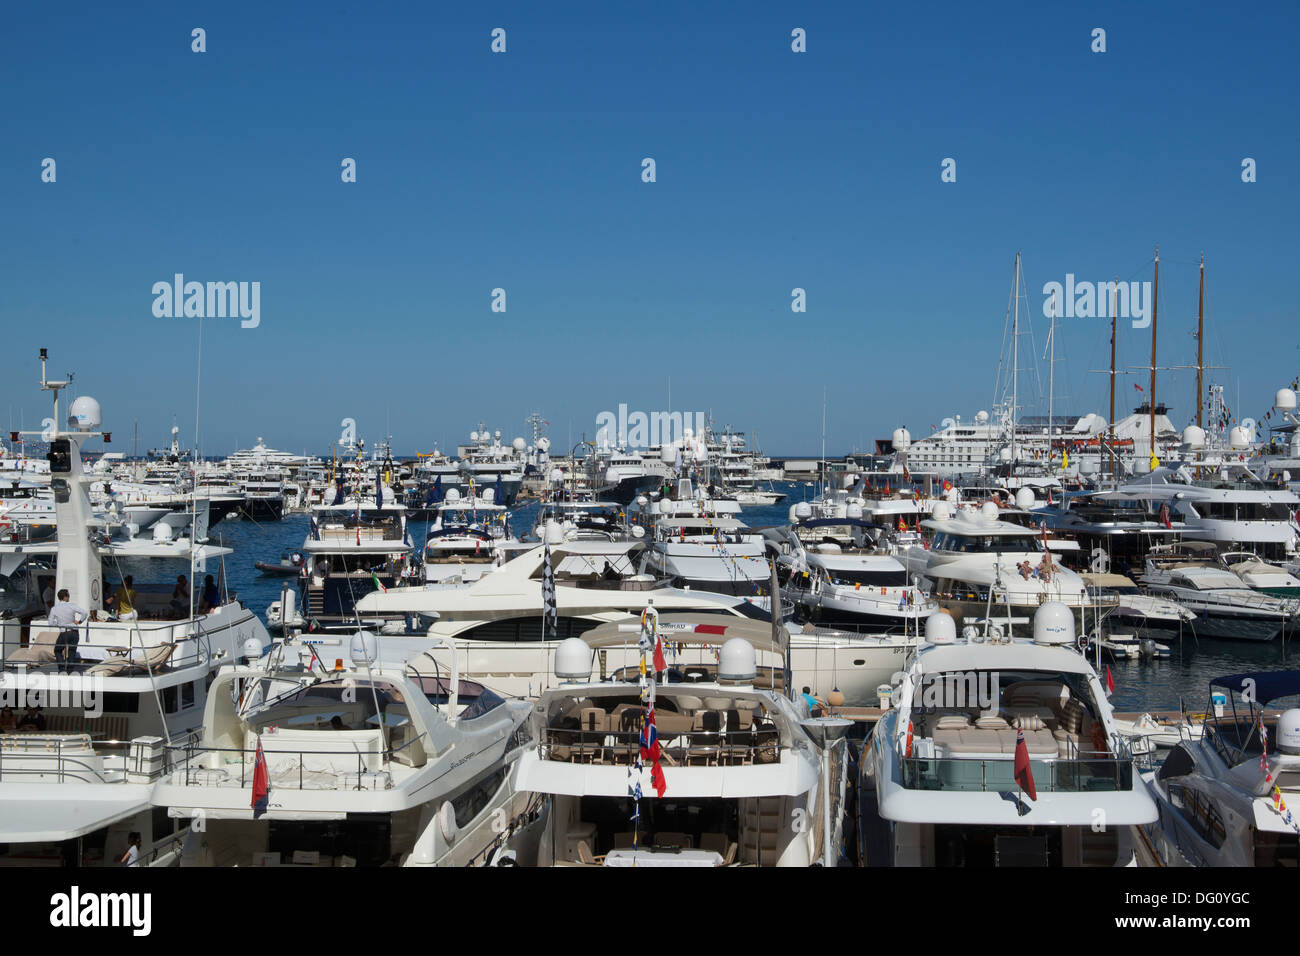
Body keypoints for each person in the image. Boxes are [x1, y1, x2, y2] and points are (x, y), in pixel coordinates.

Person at [49, 588, 88, 673]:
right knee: (72, 651)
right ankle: (70, 670)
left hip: (64, 632)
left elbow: (50, 623)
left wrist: (59, 624)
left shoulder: (54, 608)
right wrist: (80, 621)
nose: (69, 597)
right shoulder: (71, 605)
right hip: (74, 631)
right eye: (68, 595)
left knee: (58, 650)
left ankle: (62, 669)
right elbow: (85, 613)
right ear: (65, 597)